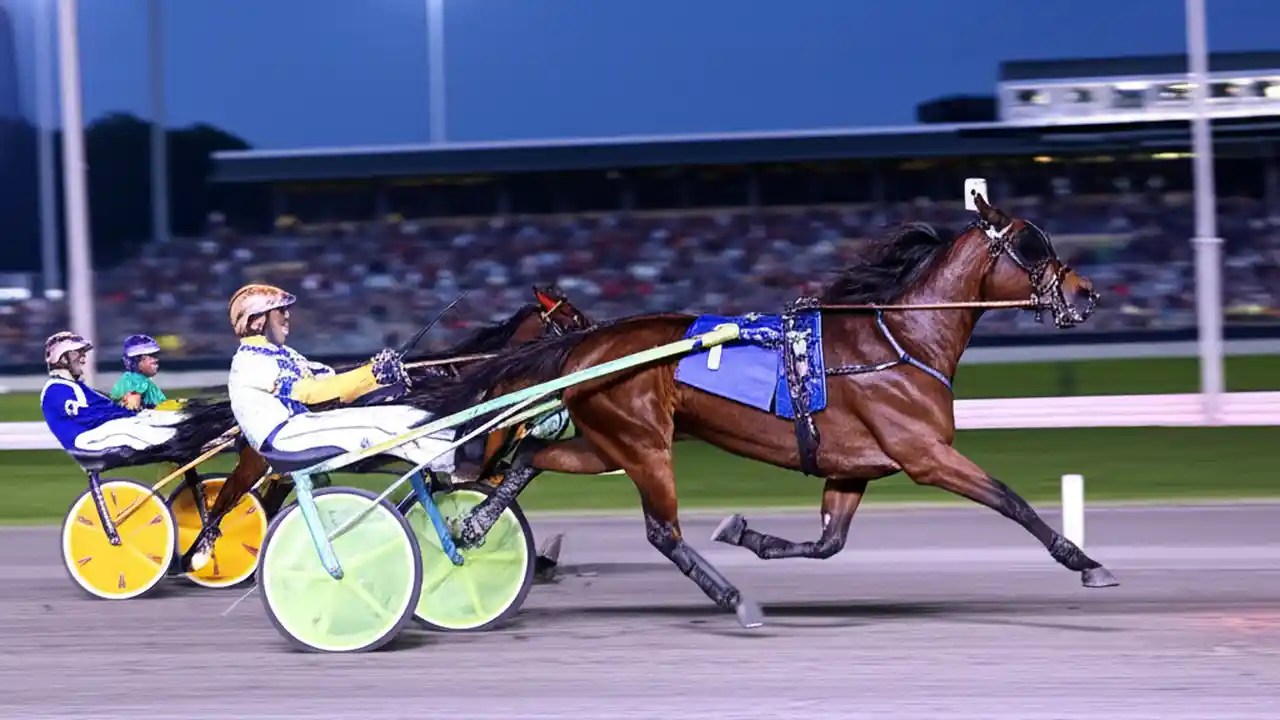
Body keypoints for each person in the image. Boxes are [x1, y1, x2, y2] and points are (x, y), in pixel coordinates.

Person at [225, 283, 456, 474]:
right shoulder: (252, 361)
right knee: (382, 425)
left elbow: (328, 377)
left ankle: (454, 454)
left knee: (404, 414)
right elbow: (311, 393)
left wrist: (373, 373)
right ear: (257, 320)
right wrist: (369, 374)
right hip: (284, 438)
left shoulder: (282, 353)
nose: (287, 316)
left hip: (300, 428)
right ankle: (454, 466)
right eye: (280, 311)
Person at [40, 331, 188, 454]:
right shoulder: (56, 389)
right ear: (62, 359)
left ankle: (185, 434)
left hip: (94, 434)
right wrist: (131, 414)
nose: (84, 359)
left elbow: (106, 409)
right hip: (85, 440)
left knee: (149, 417)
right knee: (136, 424)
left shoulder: (75, 386)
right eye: (78, 354)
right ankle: (184, 440)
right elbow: (91, 418)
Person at [109, 334, 168, 410]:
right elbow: (131, 408)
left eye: (156, 355)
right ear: (136, 361)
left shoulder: (143, 380)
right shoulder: (134, 380)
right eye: (151, 355)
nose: (156, 360)